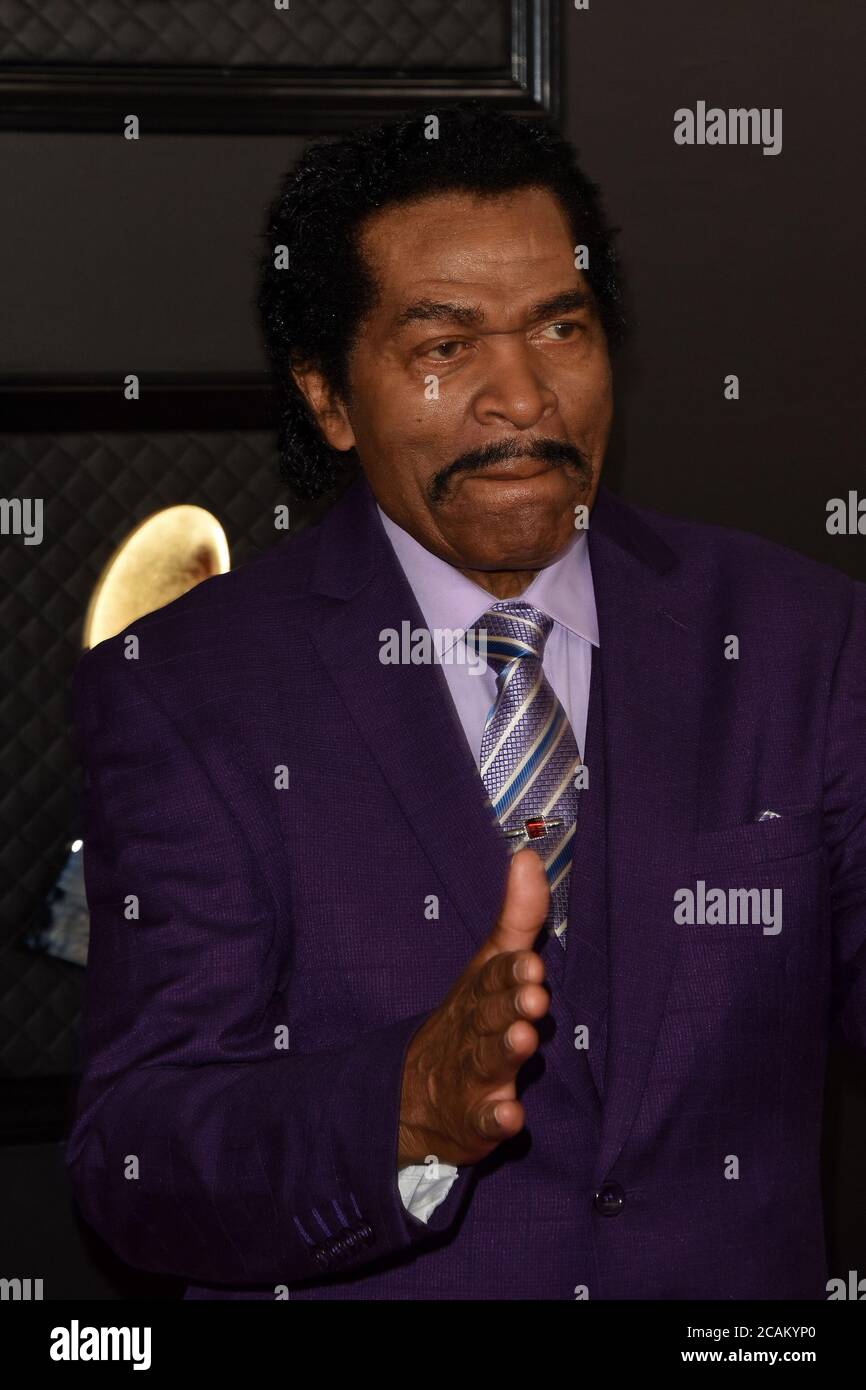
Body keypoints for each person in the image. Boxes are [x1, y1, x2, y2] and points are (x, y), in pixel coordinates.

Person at [66, 104, 866, 1300]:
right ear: (329, 399)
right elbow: (136, 1160)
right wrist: (408, 1108)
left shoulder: (802, 635)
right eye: (444, 345)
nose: (519, 396)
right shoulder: (190, 690)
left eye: (560, 326)